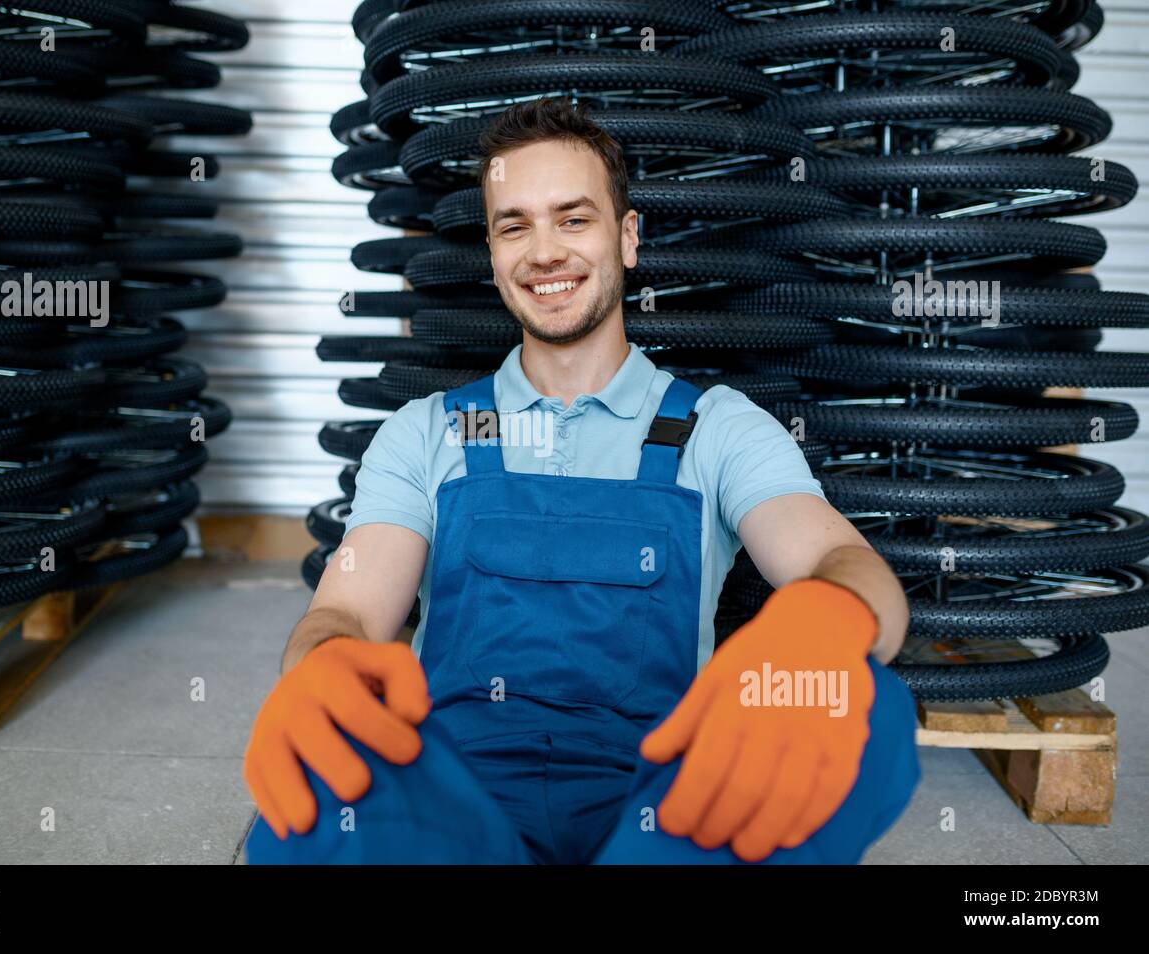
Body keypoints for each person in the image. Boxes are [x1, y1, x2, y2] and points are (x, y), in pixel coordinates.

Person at [242, 96, 920, 865]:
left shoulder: (716, 427)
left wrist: (823, 622)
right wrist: (321, 659)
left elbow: (846, 565)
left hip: (664, 809)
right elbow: (348, 613)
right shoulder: (429, 430)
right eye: (514, 225)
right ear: (493, 253)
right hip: (457, 808)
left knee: (870, 712)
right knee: (319, 775)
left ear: (626, 238)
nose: (544, 252)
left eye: (574, 219)